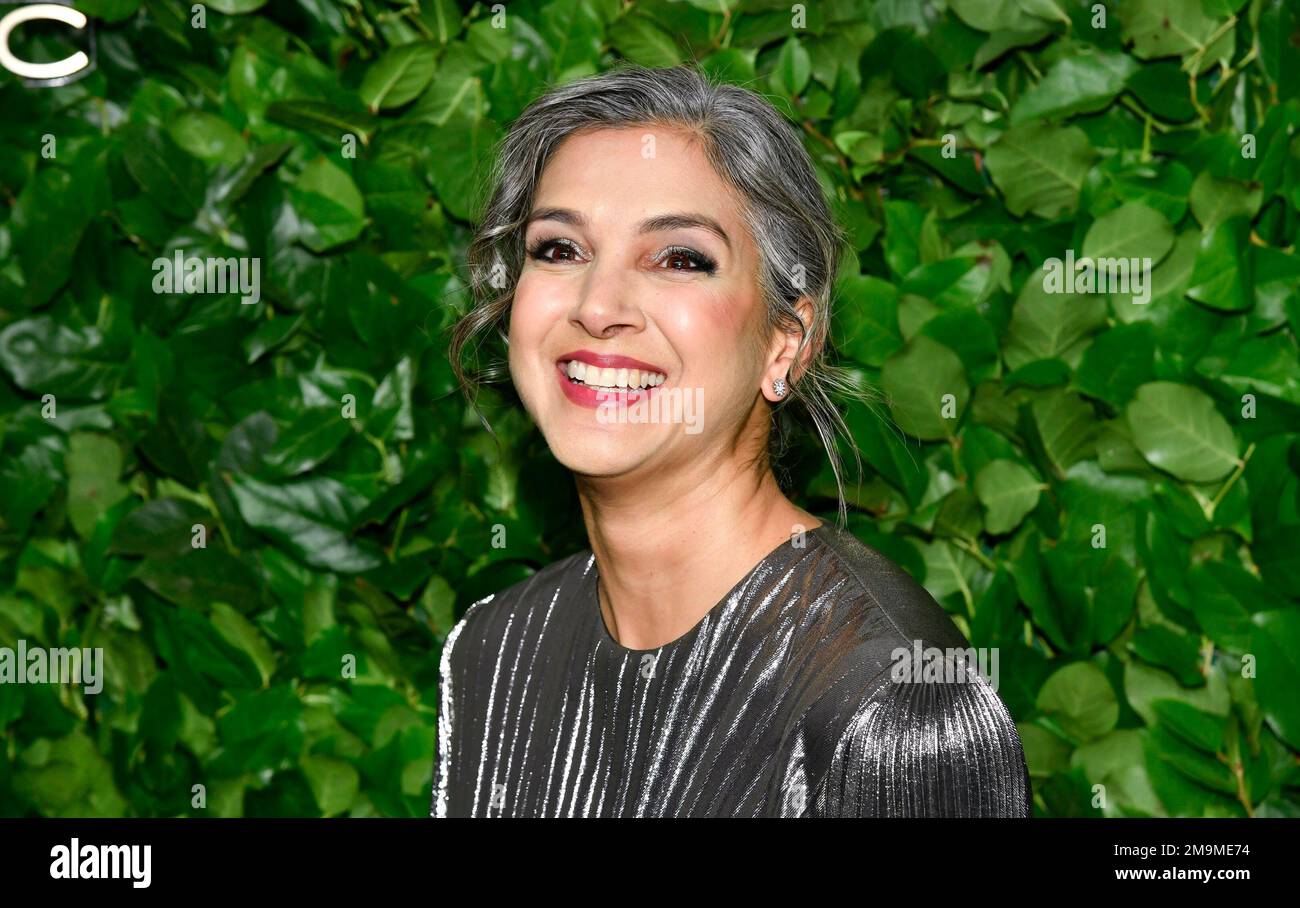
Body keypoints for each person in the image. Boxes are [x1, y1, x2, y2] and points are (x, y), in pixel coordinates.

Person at [431, 63, 1031, 817]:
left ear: (789, 339)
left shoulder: (896, 701)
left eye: (680, 258)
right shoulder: (494, 651)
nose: (598, 306)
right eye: (560, 249)